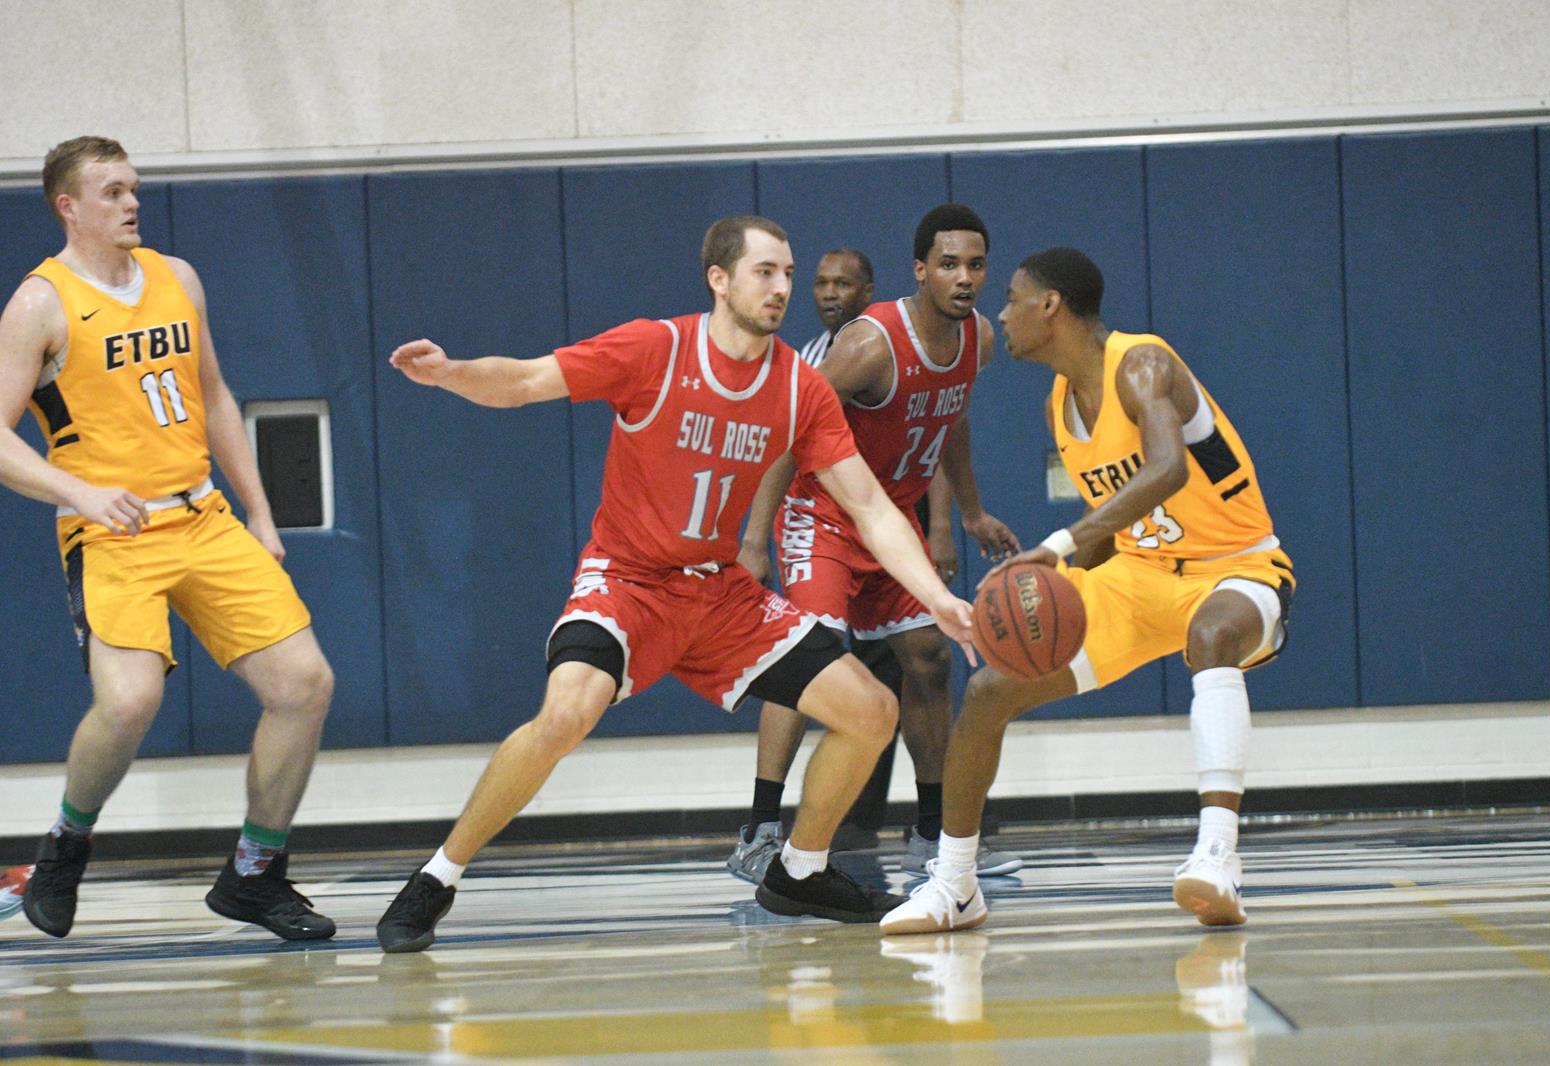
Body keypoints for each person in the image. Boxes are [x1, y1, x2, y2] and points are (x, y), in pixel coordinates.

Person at [374, 215, 976, 953]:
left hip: (720, 595)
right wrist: (450, 372)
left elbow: (872, 506)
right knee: (566, 715)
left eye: (788, 273)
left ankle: (800, 869)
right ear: (719, 280)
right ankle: (437, 876)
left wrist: (938, 597)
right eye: (766, 272)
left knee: (871, 709)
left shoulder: (798, 386)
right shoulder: (654, 349)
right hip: (628, 582)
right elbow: (530, 378)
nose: (782, 287)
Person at [881, 246, 1295, 935]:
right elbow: (1113, 527)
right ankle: (955, 885)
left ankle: (1218, 857)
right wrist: (1048, 579)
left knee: (1211, 637)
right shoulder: (1058, 406)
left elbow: (1165, 472)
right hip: (1139, 577)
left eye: (1012, 298)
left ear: (1051, 306)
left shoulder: (1142, 363)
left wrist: (1057, 547)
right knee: (989, 692)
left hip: (1236, 566)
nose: (1001, 313)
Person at [0, 136, 337, 940]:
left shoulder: (177, 278)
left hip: (202, 515)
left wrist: (258, 510)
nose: (131, 204)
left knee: (304, 684)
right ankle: (64, 846)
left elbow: (214, 395)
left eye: (134, 189)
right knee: (130, 700)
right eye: (112, 192)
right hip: (109, 531)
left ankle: (256, 873)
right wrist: (78, 488)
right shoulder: (39, 305)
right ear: (68, 207)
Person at [727, 205, 1024, 887]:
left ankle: (930, 835)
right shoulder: (870, 345)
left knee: (928, 660)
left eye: (976, 264)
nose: (965, 277)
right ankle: (760, 831)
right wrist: (753, 539)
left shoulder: (975, 338)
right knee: (809, 663)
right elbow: (786, 428)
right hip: (823, 516)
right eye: (949, 264)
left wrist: (969, 513)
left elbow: (951, 420)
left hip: (890, 520)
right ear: (920, 270)